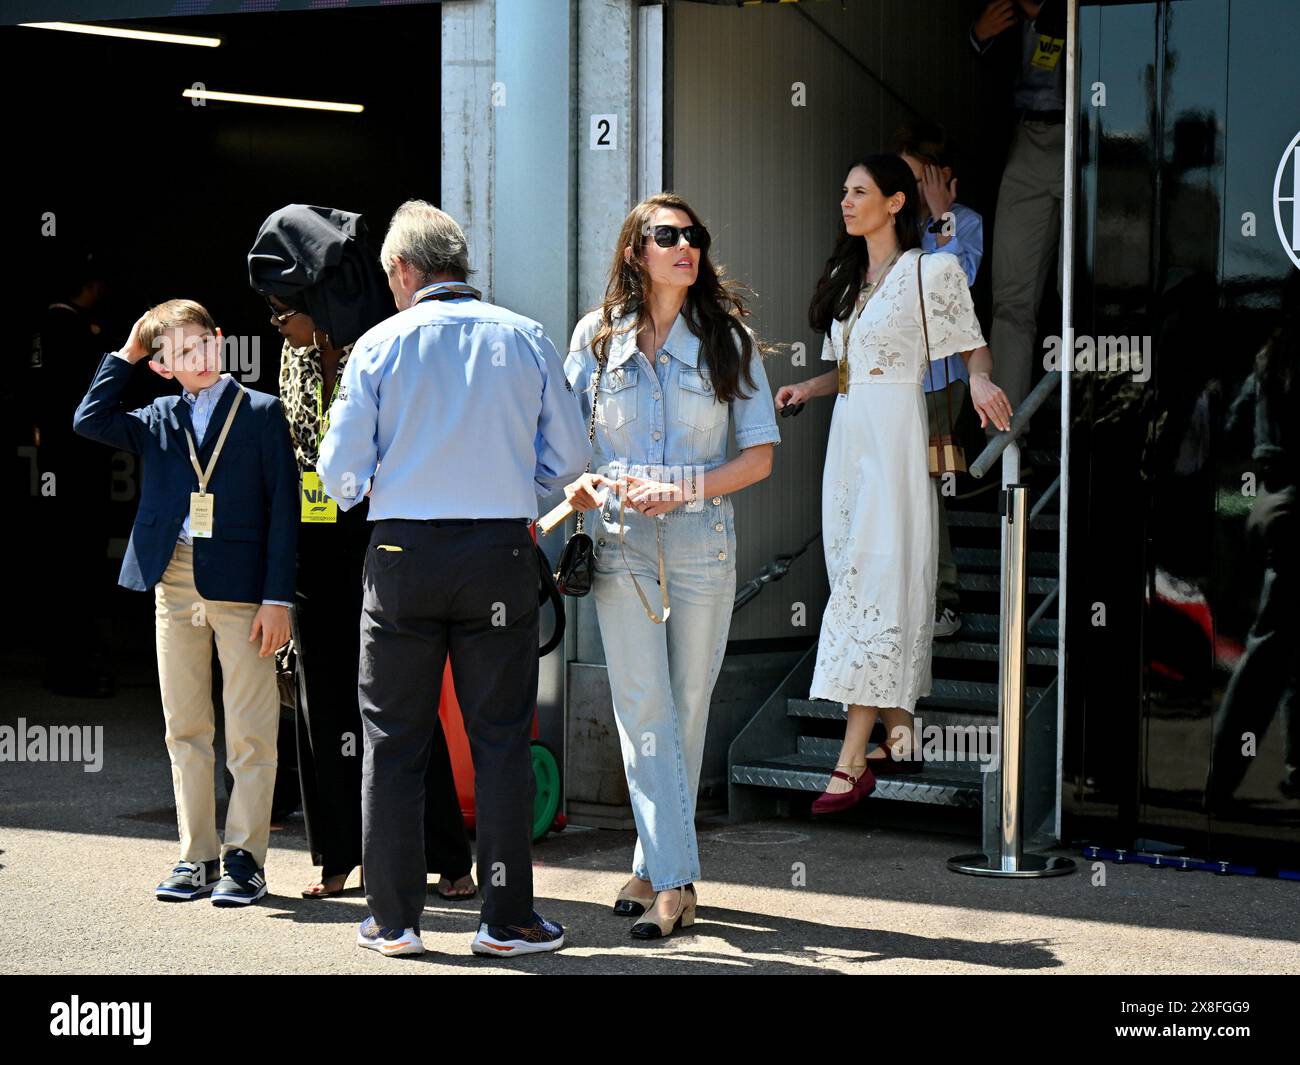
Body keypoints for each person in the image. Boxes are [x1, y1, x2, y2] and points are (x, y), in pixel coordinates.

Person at [318, 200, 590, 958]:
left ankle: (395, 920)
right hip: (498, 554)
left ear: (404, 271)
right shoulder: (525, 336)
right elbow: (568, 461)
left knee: (394, 738)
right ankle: (505, 921)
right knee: (501, 739)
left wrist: (385, 476)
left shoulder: (378, 344)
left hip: (402, 556)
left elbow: (338, 476)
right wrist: (511, 476)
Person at [563, 193, 779, 939]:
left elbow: (758, 458)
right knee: (644, 711)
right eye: (667, 236)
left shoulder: (729, 339)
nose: (685, 246)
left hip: (702, 547)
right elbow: (564, 444)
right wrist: (580, 481)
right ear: (635, 250)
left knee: (685, 709)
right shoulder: (596, 338)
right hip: (621, 545)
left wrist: (683, 486)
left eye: (694, 236)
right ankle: (678, 883)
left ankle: (653, 862)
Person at [247, 204, 476, 903]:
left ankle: (448, 856)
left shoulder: (386, 342)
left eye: (283, 311)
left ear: (318, 301)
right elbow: (294, 454)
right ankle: (339, 855)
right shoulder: (292, 356)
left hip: (385, 534)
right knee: (324, 703)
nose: (276, 326)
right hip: (317, 544)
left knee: (400, 699)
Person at [775, 156, 1011, 811]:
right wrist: (808, 387)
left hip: (895, 441)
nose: (846, 201)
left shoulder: (929, 271)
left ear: (894, 201)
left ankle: (852, 761)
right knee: (852, 579)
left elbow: (974, 349)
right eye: (843, 191)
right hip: (848, 441)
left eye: (859, 191)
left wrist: (983, 380)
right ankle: (900, 732)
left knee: (874, 588)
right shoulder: (848, 281)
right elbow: (852, 369)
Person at [73, 299, 298, 904]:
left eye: (203, 343)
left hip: (246, 585)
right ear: (162, 365)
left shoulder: (260, 412)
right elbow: (88, 418)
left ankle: (245, 859)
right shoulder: (157, 415)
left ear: (219, 341)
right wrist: (127, 352)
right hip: (173, 579)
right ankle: (195, 856)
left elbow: (284, 512)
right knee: (186, 726)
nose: (196, 358)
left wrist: (278, 599)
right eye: (179, 353)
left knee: (251, 728)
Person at [898, 122, 987, 641]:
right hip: (889, 379)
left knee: (927, 486)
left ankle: (944, 600)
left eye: (913, 176)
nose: (903, 185)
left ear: (941, 176)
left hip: (940, 378)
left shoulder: (962, 222)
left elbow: (957, 279)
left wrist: (939, 216)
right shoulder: (889, 221)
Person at [970, 0, 1069, 421]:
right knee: (1011, 298)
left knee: (1084, 291)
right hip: (1025, 136)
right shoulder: (1000, 15)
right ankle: (1003, 432)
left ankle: (1090, 422)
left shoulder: (1073, 12)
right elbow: (977, 83)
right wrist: (979, 38)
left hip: (1088, 135)